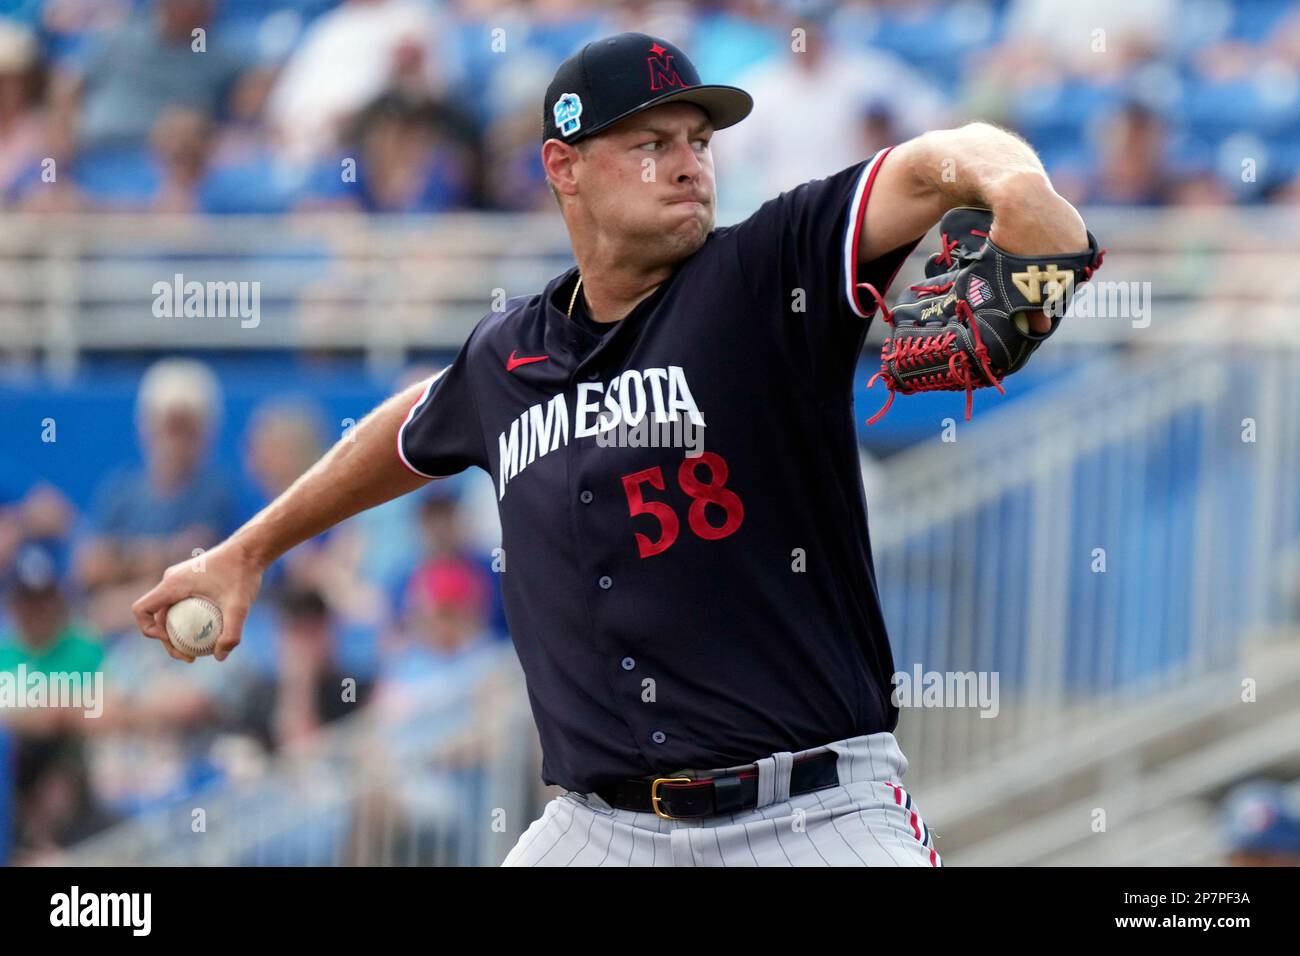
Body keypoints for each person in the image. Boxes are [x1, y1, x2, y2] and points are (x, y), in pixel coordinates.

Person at [134, 32, 1092, 867]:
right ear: (564, 167)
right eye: (651, 143)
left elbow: (938, 162)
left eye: (699, 142)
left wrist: (1018, 187)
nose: (688, 164)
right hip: (599, 833)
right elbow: (412, 423)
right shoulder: (508, 359)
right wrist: (243, 552)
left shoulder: (767, 274)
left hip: (811, 817)